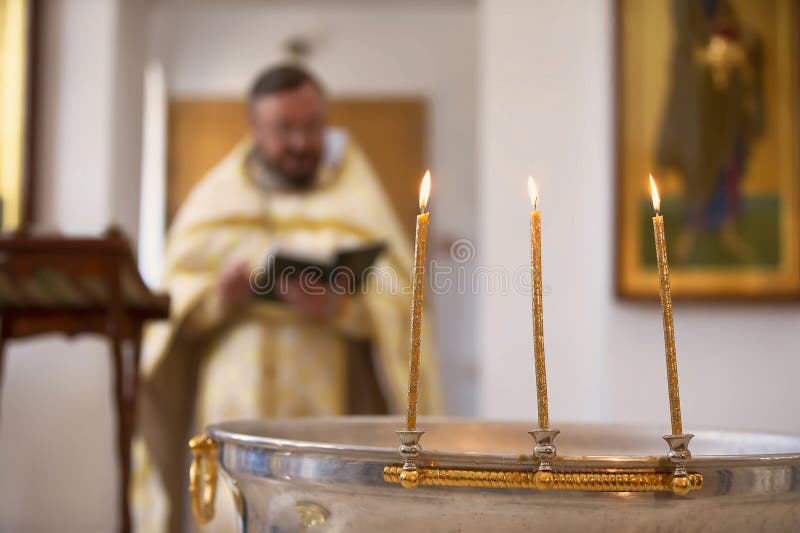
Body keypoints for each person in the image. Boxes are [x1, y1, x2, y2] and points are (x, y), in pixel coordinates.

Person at [132, 64, 442, 532]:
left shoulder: (358, 201)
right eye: (285, 129)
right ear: (255, 128)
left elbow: (401, 308)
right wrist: (218, 299)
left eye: (311, 126)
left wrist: (340, 308)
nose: (300, 142)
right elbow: (169, 313)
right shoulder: (216, 202)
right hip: (233, 409)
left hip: (328, 411)